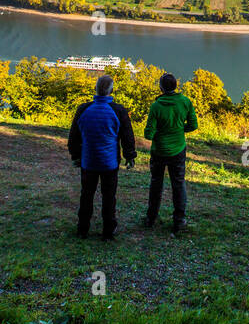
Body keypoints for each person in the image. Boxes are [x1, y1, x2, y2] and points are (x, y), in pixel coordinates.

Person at [68, 74, 136, 240]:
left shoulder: (83, 109)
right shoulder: (118, 111)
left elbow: (74, 137)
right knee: (109, 197)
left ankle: (82, 229)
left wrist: (75, 156)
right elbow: (127, 136)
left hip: (88, 161)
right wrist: (129, 156)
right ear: (111, 90)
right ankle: (108, 231)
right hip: (109, 162)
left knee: (86, 195)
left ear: (95, 89)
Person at [143, 72, 198, 233]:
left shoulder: (156, 106)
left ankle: (151, 218)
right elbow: (193, 125)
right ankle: (179, 220)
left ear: (160, 87)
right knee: (178, 184)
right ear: (176, 86)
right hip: (178, 150)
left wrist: (158, 133)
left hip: (159, 151)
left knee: (156, 183)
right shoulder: (185, 102)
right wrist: (180, 130)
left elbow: (148, 134)